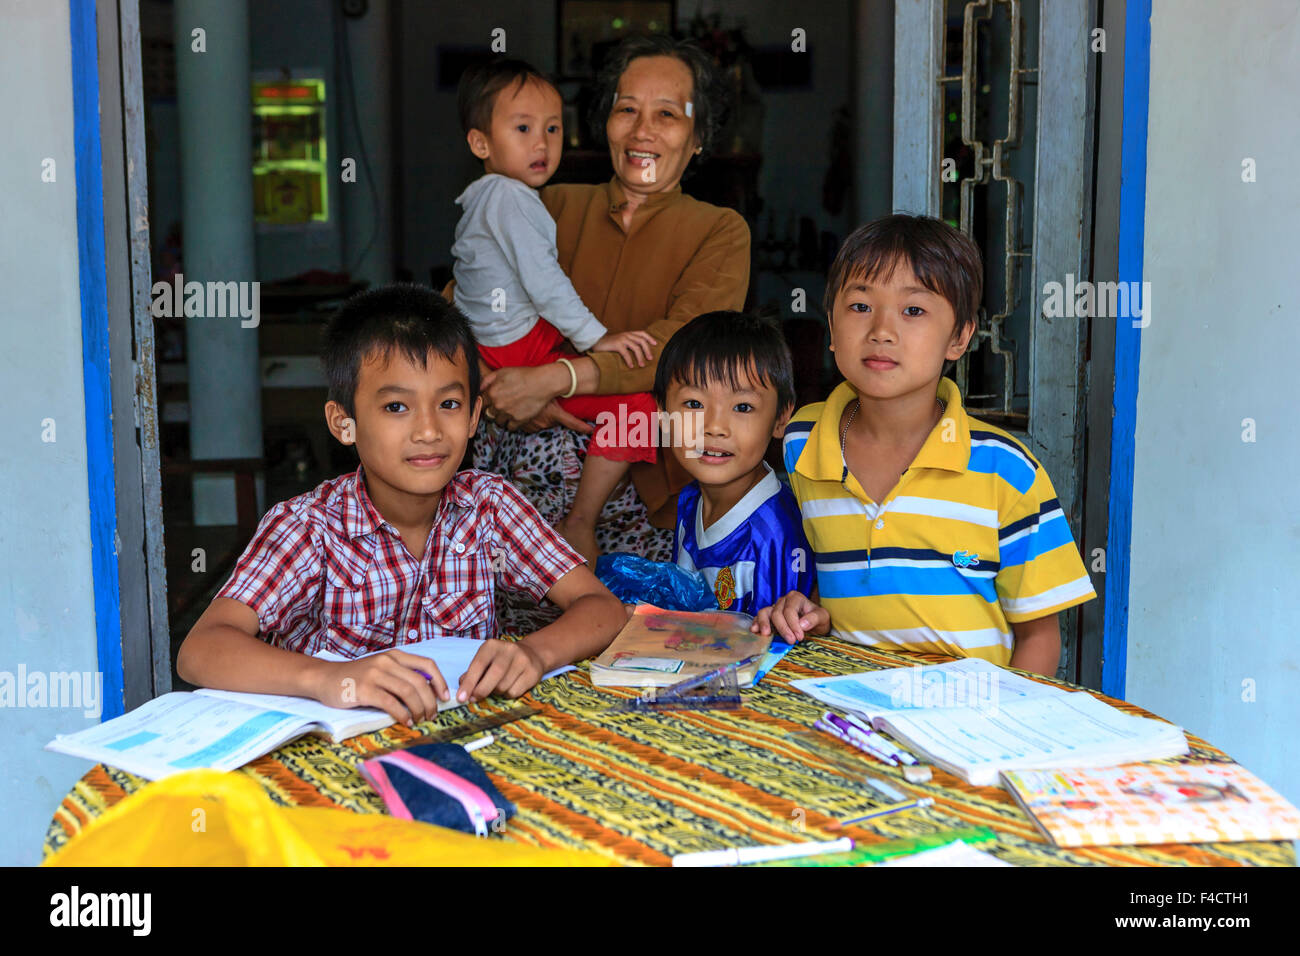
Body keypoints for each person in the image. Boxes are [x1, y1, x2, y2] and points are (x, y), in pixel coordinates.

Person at [176, 285, 626, 724]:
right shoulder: (307, 528)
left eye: (448, 403)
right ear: (344, 423)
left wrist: (533, 653)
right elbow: (201, 650)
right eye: (396, 407)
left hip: (462, 739)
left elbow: (601, 607)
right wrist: (331, 678)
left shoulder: (490, 507)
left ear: (473, 417)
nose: (428, 430)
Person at [462, 36, 750, 621]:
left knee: (627, 655)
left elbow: (683, 348)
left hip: (638, 496)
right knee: (510, 656)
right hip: (510, 485)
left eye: (667, 115)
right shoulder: (546, 203)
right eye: (627, 110)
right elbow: (459, 301)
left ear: (698, 139)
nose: (643, 131)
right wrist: (502, 381)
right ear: (605, 124)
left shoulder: (719, 231)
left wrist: (557, 378)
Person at [753, 216, 1096, 677]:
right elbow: (832, 576)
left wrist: (1003, 726)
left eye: (913, 311)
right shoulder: (803, 441)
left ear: (959, 337)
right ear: (830, 327)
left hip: (968, 716)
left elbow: (1040, 635)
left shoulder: (1004, 469)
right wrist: (808, 611)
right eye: (859, 306)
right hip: (848, 706)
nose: (881, 330)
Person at [452, 58, 660, 564]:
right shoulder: (512, 198)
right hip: (521, 344)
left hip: (496, 345)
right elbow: (544, 284)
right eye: (522, 129)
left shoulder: (485, 198)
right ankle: (580, 524)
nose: (542, 143)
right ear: (481, 143)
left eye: (552, 128)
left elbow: (464, 286)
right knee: (640, 412)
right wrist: (597, 339)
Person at [652, 310, 814, 617]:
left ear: (781, 418)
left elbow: (775, 645)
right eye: (694, 404)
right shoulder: (690, 502)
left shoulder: (775, 533)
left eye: (742, 407)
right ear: (663, 415)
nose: (715, 426)